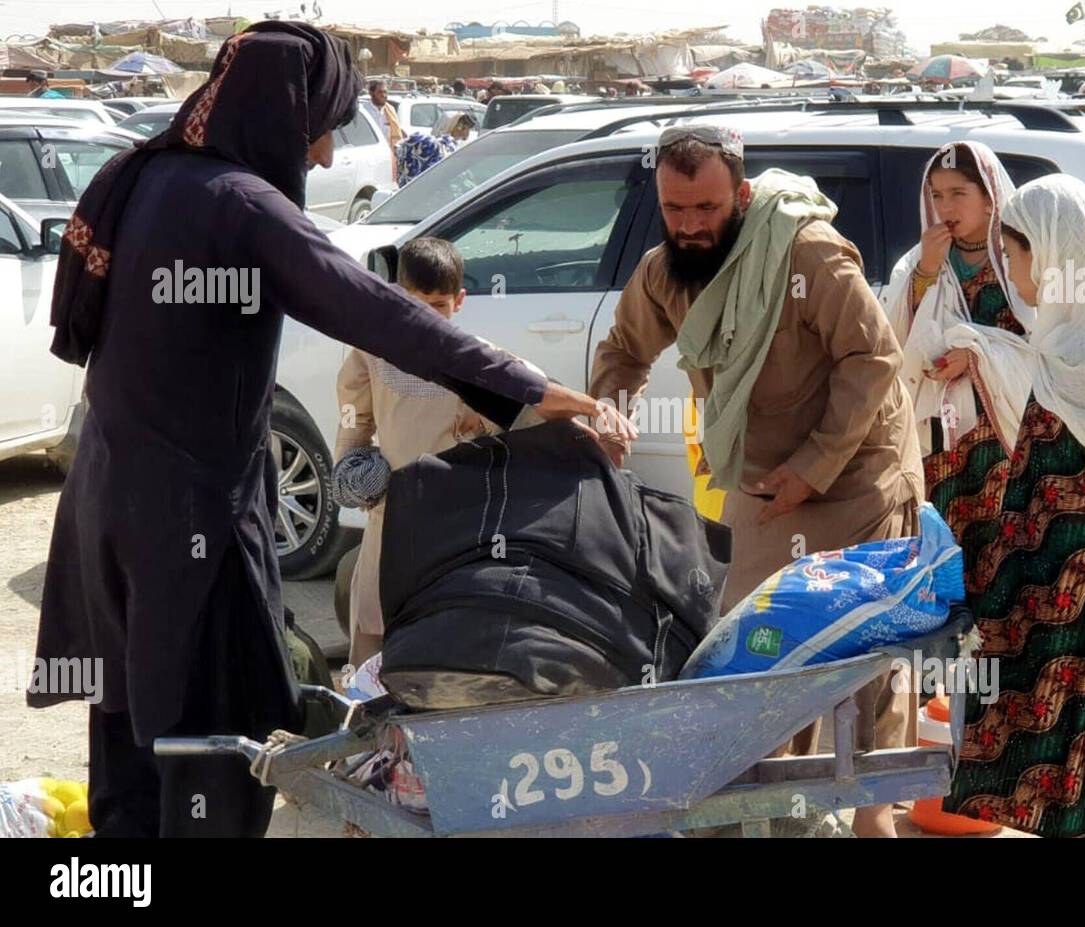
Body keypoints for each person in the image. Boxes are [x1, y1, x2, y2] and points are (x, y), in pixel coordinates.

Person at [28, 21, 634, 839]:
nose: (321, 156)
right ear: (282, 115)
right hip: (191, 522)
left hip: (103, 507)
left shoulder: (140, 175)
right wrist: (540, 391)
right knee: (217, 737)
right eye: (322, 127)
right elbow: (378, 310)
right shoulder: (239, 204)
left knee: (130, 733)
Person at [589, 124, 924, 837]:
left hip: (856, 473)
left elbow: (873, 358)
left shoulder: (807, 253)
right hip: (763, 481)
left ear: (740, 195)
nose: (689, 226)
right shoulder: (665, 269)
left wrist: (813, 468)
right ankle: (782, 807)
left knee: (862, 650)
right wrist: (611, 416)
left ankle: (873, 816)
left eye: (705, 209)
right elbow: (623, 349)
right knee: (754, 645)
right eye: (674, 210)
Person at [943, 174, 1085, 837]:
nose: (1011, 271)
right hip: (1050, 592)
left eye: (1015, 255)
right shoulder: (1057, 342)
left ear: (1055, 255)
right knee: (1064, 773)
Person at [333, 238, 504, 666]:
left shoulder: (477, 358)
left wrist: (481, 422)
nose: (428, 317)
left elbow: (517, 415)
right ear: (397, 298)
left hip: (457, 521)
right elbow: (354, 418)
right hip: (389, 513)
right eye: (417, 304)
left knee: (447, 644)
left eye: (439, 305)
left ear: (459, 301)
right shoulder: (370, 353)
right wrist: (351, 467)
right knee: (375, 639)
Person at [880, 141, 1034, 607]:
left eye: (958, 194)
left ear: (989, 197)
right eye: (936, 195)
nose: (945, 207)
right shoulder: (921, 261)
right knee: (947, 549)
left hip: (1005, 436)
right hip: (943, 445)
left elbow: (1042, 344)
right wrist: (925, 273)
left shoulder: (1018, 258)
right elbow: (896, 336)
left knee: (1005, 553)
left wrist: (978, 357)